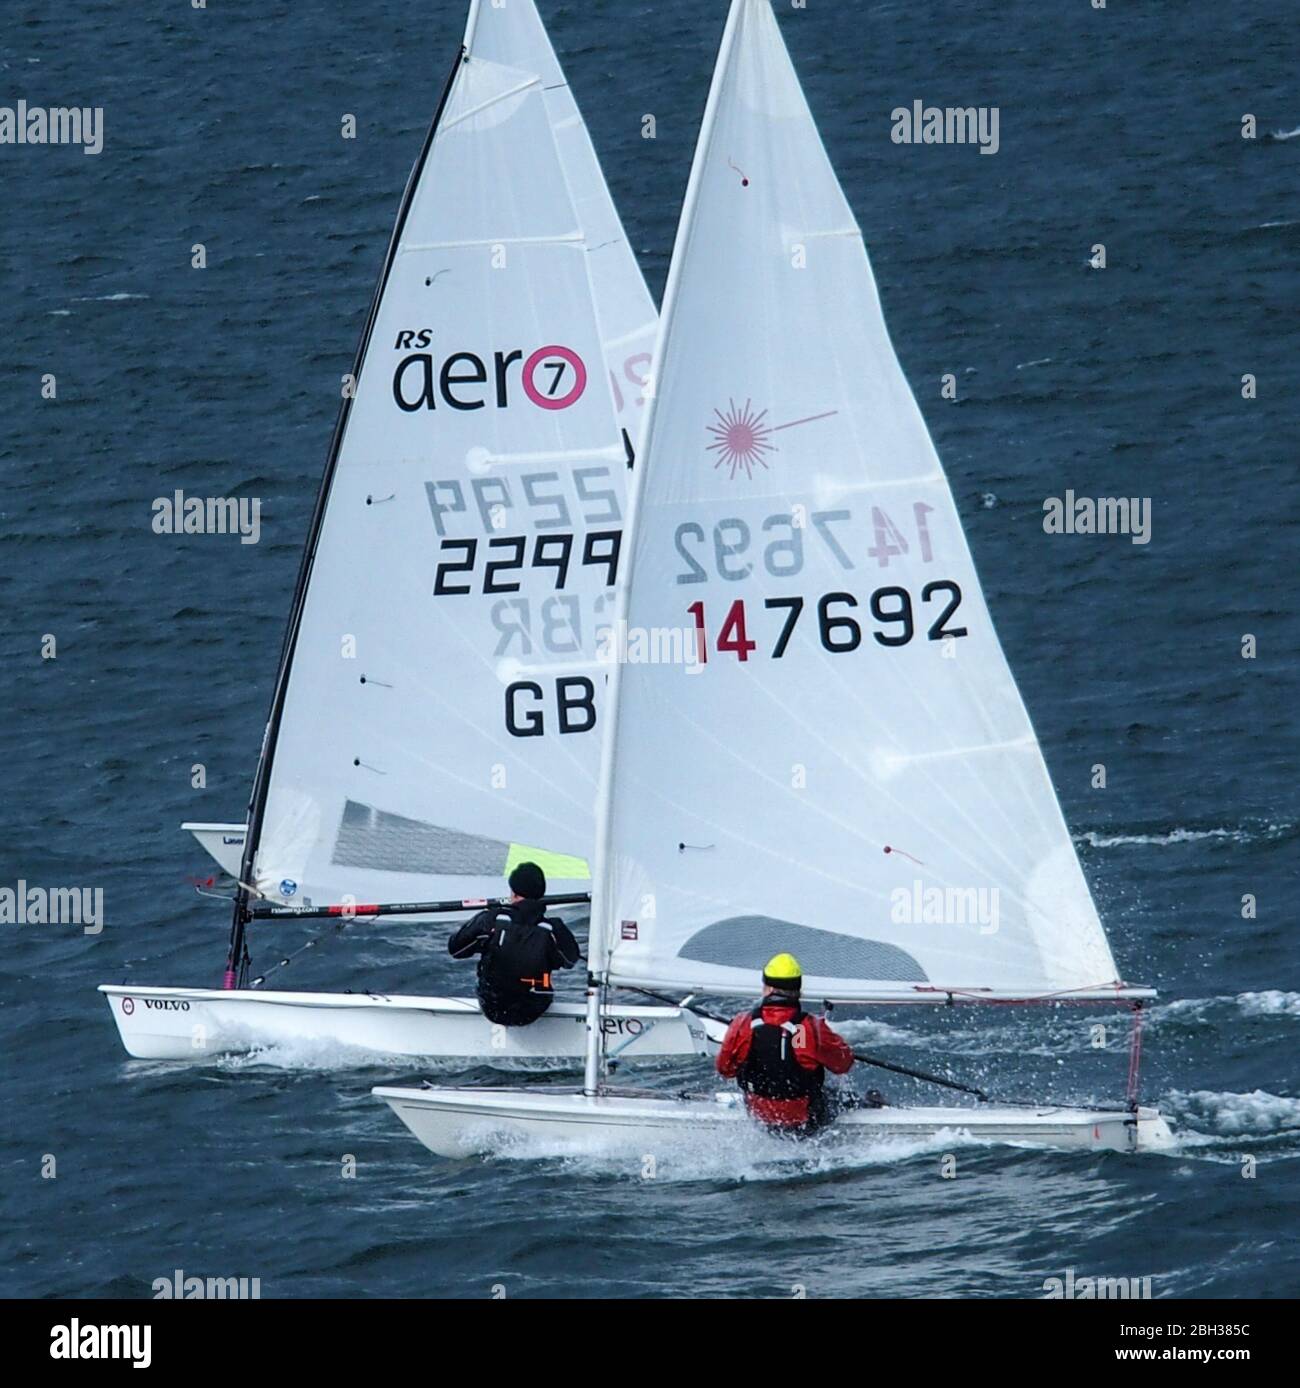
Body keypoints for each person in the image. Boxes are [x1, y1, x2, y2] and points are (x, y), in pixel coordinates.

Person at [715, 952, 857, 1135]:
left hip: (760, 1117)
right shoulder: (811, 1027)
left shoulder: (742, 1023)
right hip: (807, 1121)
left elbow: (725, 1069)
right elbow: (843, 1064)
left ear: (767, 989)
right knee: (847, 1099)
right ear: (798, 991)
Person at [447, 862, 580, 1026]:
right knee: (540, 981)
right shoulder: (553, 929)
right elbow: (570, 961)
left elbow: (455, 949)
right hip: (533, 1009)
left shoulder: (491, 920)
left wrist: (485, 919)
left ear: (514, 893)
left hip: (493, 1007)